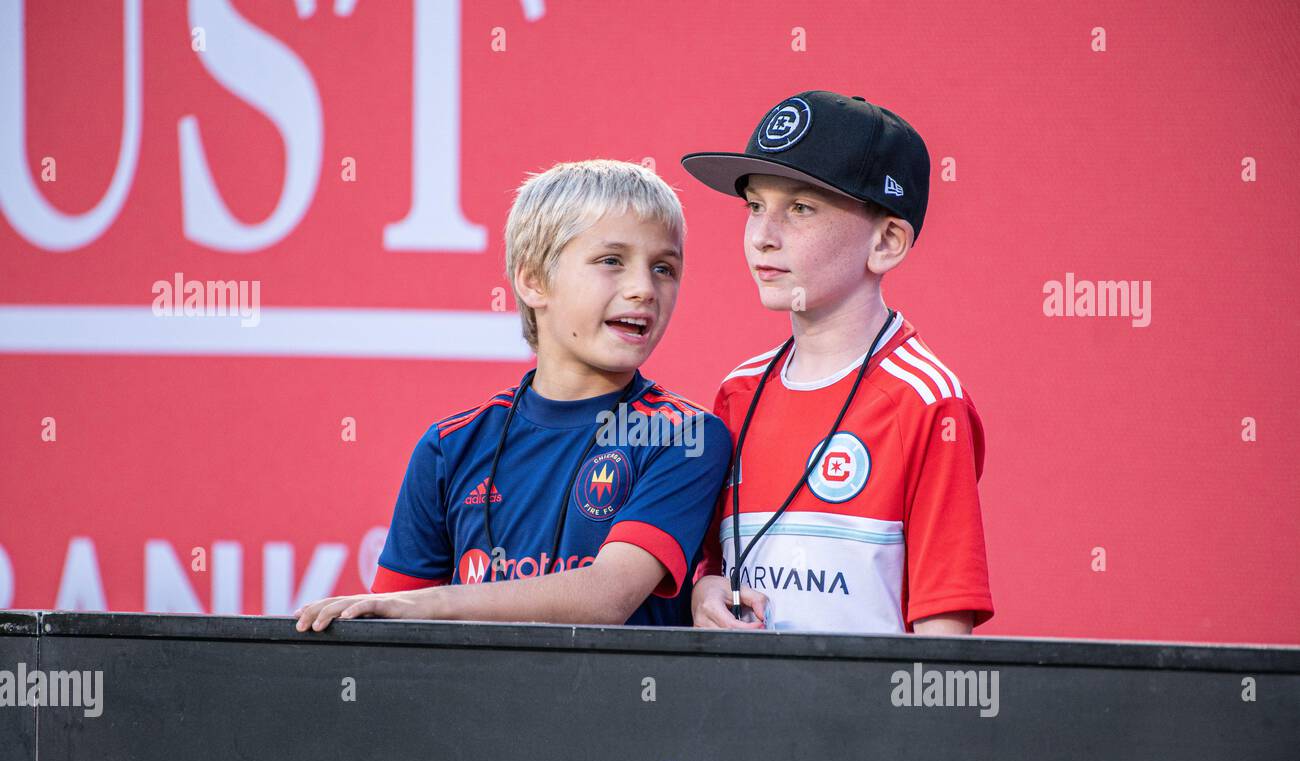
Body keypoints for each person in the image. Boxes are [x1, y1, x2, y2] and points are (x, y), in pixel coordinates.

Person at [294, 159, 729, 632]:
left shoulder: (686, 435)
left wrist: (427, 604)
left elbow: (607, 598)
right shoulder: (450, 446)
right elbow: (391, 632)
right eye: (611, 261)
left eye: (664, 268)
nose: (644, 289)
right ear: (533, 281)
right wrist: (408, 606)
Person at [680, 91, 994, 635]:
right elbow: (713, 566)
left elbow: (945, 641)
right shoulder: (738, 393)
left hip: (864, 720)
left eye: (800, 208)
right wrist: (706, 589)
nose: (762, 235)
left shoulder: (926, 401)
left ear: (887, 242)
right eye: (755, 206)